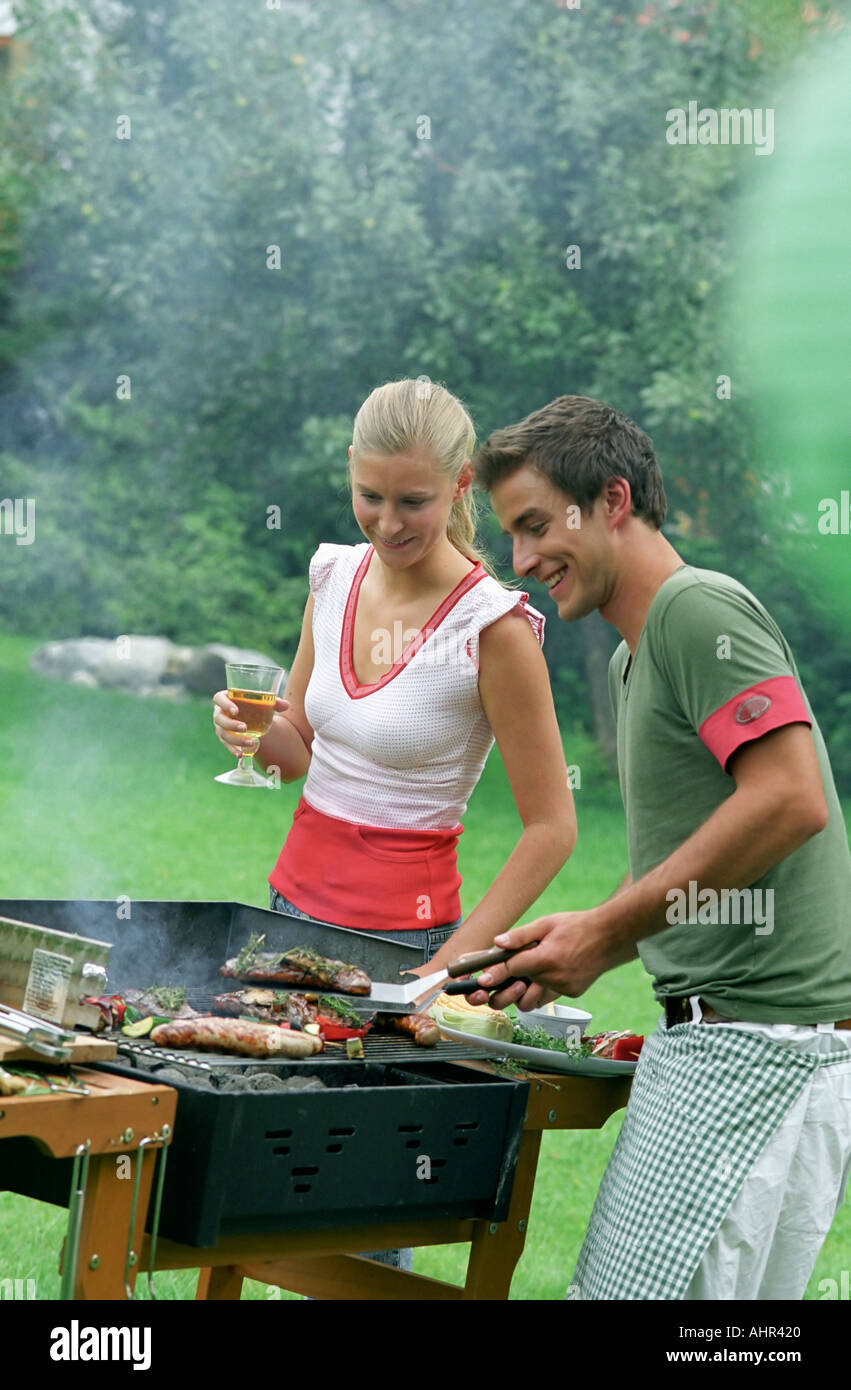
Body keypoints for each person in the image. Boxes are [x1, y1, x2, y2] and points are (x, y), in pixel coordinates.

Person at [468, 394, 851, 1301]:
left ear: (609, 501)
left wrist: (605, 936)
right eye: (509, 538)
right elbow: (702, 852)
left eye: (533, 526)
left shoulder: (694, 607)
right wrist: (590, 932)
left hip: (751, 1056)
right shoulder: (630, 654)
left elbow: (789, 800)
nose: (521, 561)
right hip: (755, 1050)